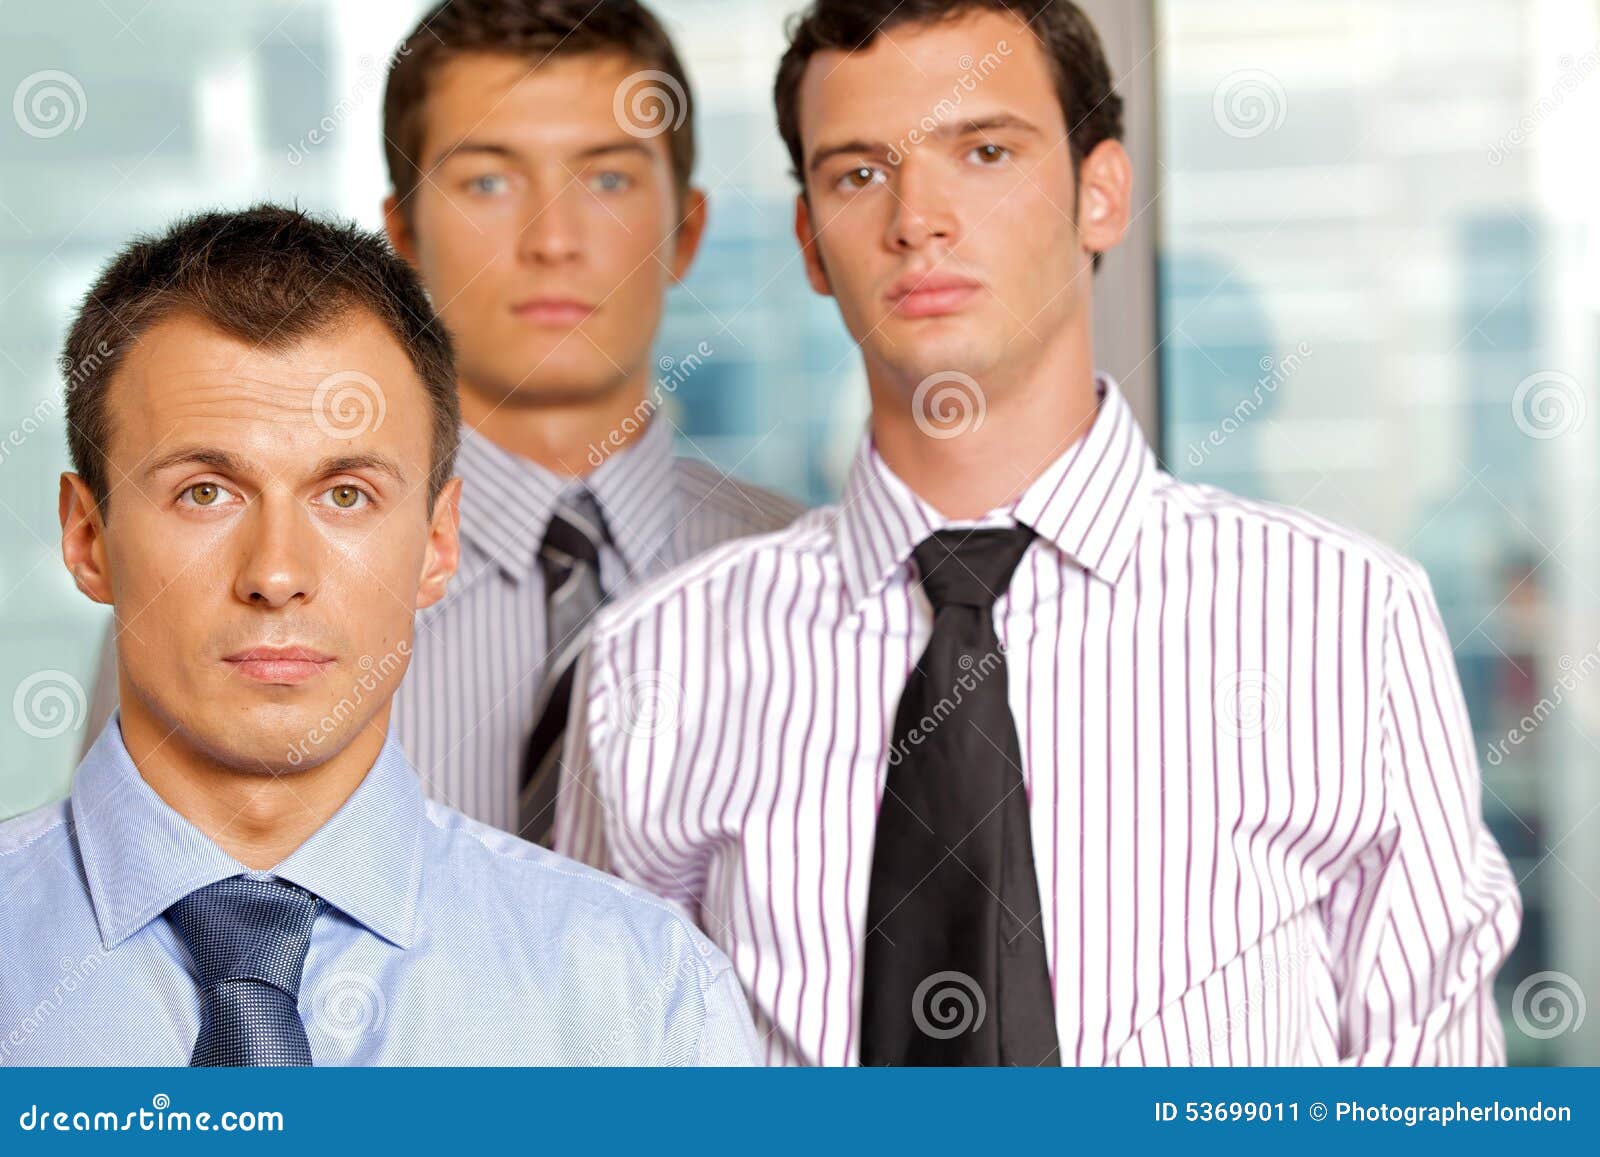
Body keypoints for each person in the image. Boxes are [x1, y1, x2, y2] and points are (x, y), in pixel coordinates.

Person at [556, 0, 1522, 1066]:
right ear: (811, 244)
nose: (917, 216)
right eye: (858, 172)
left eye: (983, 150)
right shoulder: (656, 657)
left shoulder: (1344, 616)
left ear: (1100, 192)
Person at [0, 206, 759, 1067]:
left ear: (438, 544)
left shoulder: (643, 996)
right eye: (206, 492)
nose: (277, 573)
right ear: (87, 539)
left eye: (346, 494)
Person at [81, 0, 802, 845]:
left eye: (607, 178)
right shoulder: (225, 598)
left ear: (686, 230)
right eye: (487, 182)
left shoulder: (815, 585)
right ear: (404, 236)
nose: (553, 239)